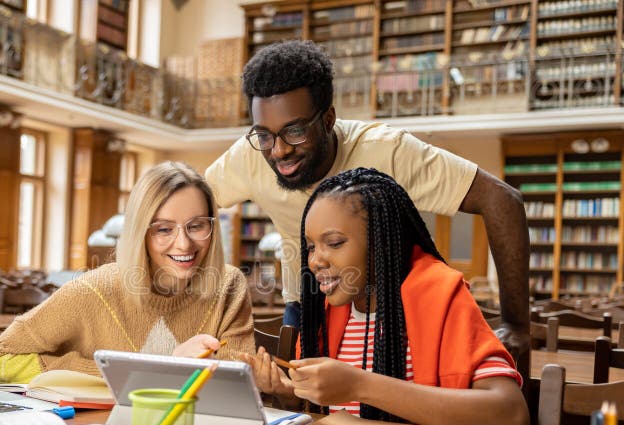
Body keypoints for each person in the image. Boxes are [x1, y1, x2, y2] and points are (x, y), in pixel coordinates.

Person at [205, 40, 529, 364]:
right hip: (309, 305)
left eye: (295, 132)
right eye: (264, 135)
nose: (278, 151)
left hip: (390, 307)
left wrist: (515, 324)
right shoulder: (248, 156)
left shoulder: (386, 151)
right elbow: (185, 201)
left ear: (328, 119)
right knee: (305, 404)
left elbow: (502, 200)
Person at [243, 168, 529, 425]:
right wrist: (289, 391)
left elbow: (511, 416)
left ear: (379, 242)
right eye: (311, 247)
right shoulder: (326, 309)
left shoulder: (441, 295)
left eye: (334, 242)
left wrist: (361, 385)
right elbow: (320, 412)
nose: (316, 260)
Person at [0, 161, 255, 383]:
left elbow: (235, 382)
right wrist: (113, 371)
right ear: (140, 232)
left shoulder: (229, 285)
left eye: (196, 226)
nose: (183, 243)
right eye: (163, 229)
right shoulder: (92, 290)